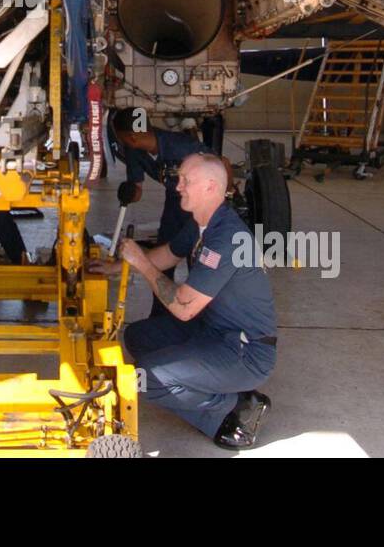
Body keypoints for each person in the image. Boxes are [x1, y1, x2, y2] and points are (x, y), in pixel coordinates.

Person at [90, 153, 276, 450]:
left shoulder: (226, 239)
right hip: (212, 331)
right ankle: (213, 387)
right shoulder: (201, 223)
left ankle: (233, 408)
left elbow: (183, 307)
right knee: (137, 336)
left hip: (246, 351)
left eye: (187, 181)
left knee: (143, 376)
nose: (178, 187)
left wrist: (141, 262)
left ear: (211, 188)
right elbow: (167, 255)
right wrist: (116, 266)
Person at [109, 107, 206, 316]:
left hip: (199, 206)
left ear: (133, 137)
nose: (122, 143)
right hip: (174, 203)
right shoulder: (135, 150)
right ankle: (160, 316)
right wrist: (129, 192)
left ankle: (200, 317)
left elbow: (220, 167)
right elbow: (137, 189)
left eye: (123, 138)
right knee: (162, 260)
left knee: (197, 263)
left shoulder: (183, 147)